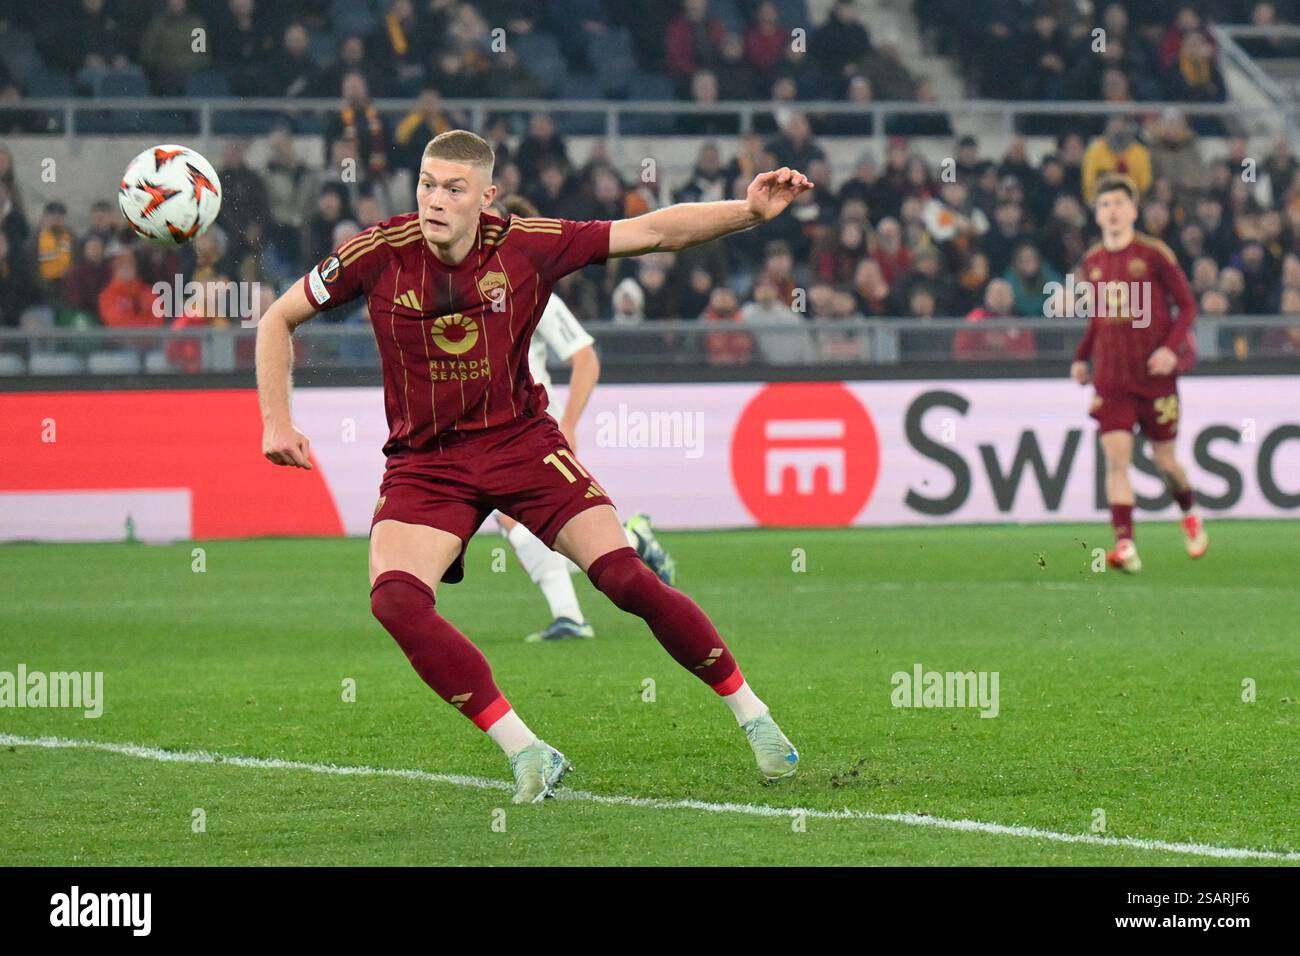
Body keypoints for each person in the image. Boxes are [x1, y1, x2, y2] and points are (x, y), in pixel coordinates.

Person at [255, 130, 807, 803]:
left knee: (624, 577)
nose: (434, 199)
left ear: (485, 197)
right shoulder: (377, 252)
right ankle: (528, 751)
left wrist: (747, 211)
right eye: (427, 184)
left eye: (453, 188)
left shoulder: (528, 243)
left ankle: (754, 717)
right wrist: (276, 420)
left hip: (521, 442)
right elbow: (277, 319)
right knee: (395, 600)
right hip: (426, 464)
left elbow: (654, 232)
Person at [491, 194, 676, 644]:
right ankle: (633, 545)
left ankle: (571, 616)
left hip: (530, 421)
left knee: (522, 518)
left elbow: (585, 359)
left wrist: (568, 423)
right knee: (542, 520)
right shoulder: (461, 288)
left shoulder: (528, 285)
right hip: (496, 424)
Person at [1070, 175, 1206, 573]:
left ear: (1132, 211)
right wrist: (1081, 358)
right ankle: (1125, 545)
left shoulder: (1153, 253)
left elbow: (1187, 307)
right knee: (1116, 460)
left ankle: (1189, 511)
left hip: (1154, 377)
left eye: (1118, 203)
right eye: (1104, 205)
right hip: (1112, 380)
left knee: (1166, 462)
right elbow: (1099, 318)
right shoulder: (1092, 261)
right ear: (1097, 215)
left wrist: (1169, 349)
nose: (1112, 211)